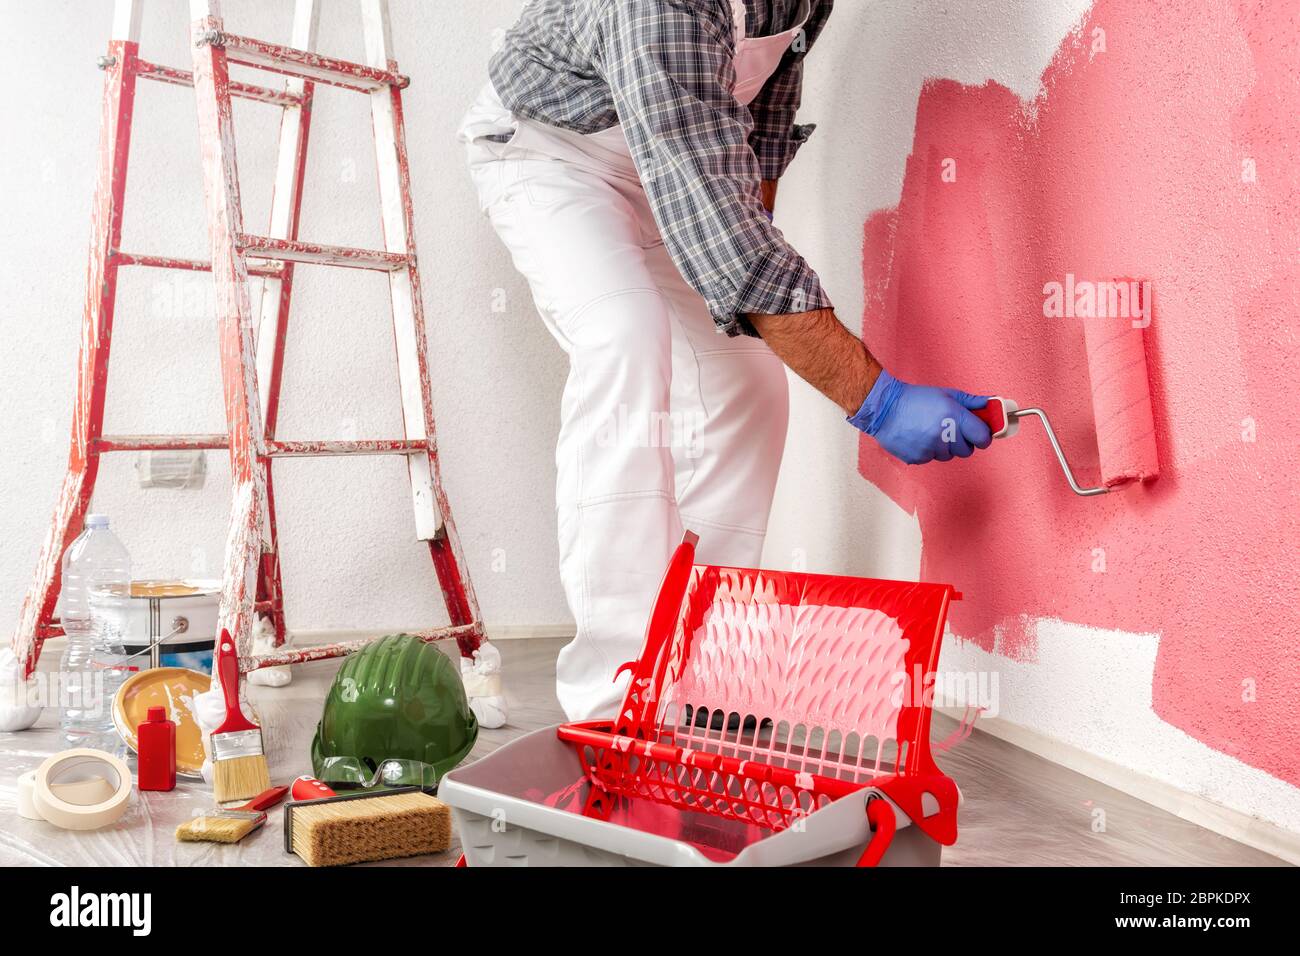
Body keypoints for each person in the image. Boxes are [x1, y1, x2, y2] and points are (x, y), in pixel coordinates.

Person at [459, 0, 991, 721]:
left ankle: (701, 665)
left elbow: (757, 144)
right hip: (551, 154)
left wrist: (755, 303)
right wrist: (879, 399)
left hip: (670, 172)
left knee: (750, 378)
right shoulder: (660, 8)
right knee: (625, 338)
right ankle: (616, 693)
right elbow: (733, 252)